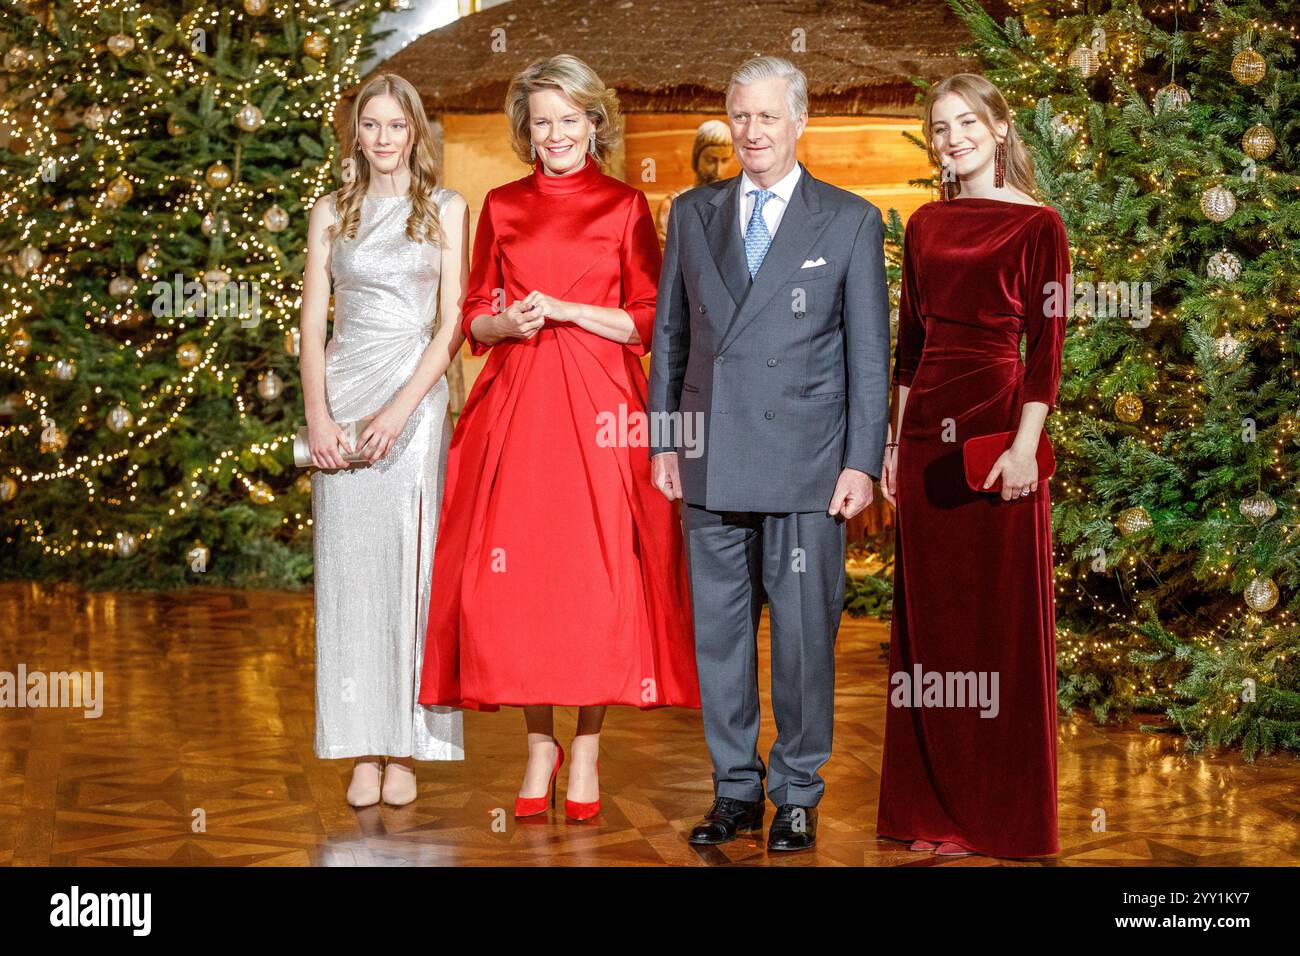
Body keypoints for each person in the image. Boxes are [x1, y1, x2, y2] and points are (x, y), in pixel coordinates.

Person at [419, 54, 700, 823]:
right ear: (526, 130)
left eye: (569, 119)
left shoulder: (624, 206)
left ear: (594, 124)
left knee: (598, 581)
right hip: (519, 405)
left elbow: (647, 320)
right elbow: (473, 316)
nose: (555, 134)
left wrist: (573, 311)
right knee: (516, 584)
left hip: (604, 410)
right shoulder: (503, 206)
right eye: (541, 122)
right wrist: (506, 321)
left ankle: (585, 747)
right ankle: (537, 741)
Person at [648, 56, 890, 852]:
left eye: (767, 118)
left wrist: (861, 461)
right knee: (718, 639)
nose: (752, 132)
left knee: (801, 638)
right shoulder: (691, 213)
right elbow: (672, 338)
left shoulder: (850, 219)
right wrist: (666, 443)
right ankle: (734, 791)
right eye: (740, 117)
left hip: (808, 465)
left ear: (799, 123)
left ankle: (796, 790)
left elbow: (868, 356)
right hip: (711, 458)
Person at [877, 73, 1068, 858]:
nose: (951, 139)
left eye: (964, 124)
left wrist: (1025, 446)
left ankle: (1001, 816)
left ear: (997, 129)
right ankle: (932, 812)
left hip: (997, 436)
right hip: (925, 438)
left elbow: (1047, 350)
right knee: (933, 634)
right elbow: (910, 347)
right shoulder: (924, 224)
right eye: (939, 128)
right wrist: (891, 445)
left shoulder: (1040, 226)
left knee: (999, 627)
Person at [300, 73, 470, 808]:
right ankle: (360, 746)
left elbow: (455, 318)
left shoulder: (447, 209)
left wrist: (405, 407)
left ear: (416, 132)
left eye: (397, 125)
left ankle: (407, 744)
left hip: (417, 399)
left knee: (414, 567)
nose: (383, 138)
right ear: (357, 133)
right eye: (371, 125)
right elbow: (312, 322)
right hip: (344, 389)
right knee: (350, 574)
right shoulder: (331, 211)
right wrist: (318, 414)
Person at [655, 120, 733, 247]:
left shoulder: (735, 204)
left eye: (725, 160)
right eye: (710, 160)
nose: (717, 171)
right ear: (696, 157)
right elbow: (664, 255)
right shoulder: (672, 206)